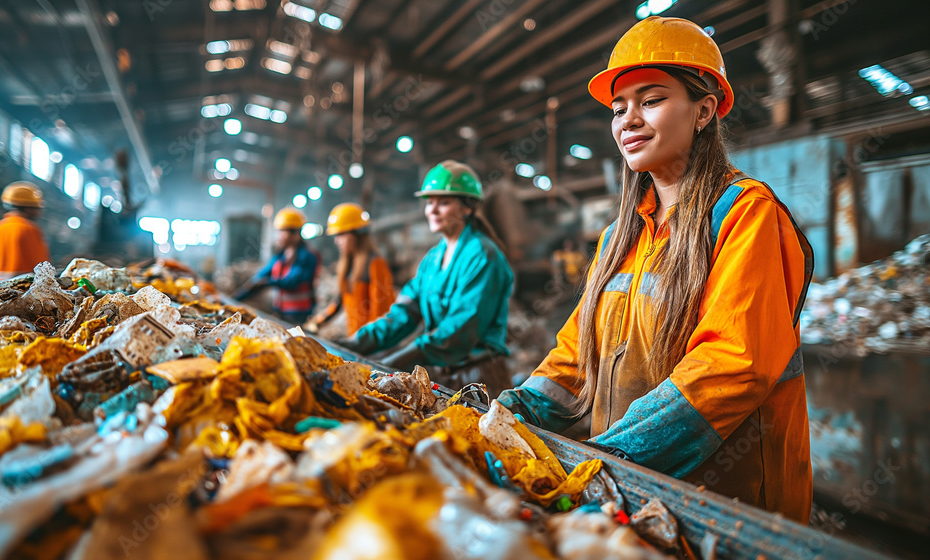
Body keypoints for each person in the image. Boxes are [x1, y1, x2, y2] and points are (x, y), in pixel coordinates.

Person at [497, 17, 814, 523]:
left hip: (726, 505)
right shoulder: (620, 236)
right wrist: (517, 410)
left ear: (704, 110)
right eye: (619, 108)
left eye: (651, 100)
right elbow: (577, 354)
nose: (628, 120)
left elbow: (734, 364)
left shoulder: (744, 214)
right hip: (631, 491)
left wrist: (609, 458)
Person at [337, 160, 515, 393]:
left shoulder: (484, 256)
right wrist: (356, 343)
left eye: (444, 202)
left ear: (468, 207)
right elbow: (405, 312)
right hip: (442, 372)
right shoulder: (433, 259)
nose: (431, 210)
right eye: (430, 202)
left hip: (480, 377)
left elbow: (461, 329)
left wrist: (399, 359)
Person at [309, 203, 394, 336]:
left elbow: (380, 314)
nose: (337, 241)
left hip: (371, 344)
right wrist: (317, 322)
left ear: (358, 233)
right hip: (356, 339)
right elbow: (339, 302)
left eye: (342, 234)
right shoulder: (348, 265)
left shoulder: (376, 264)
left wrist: (366, 341)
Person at [234, 207, 319, 325]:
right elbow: (261, 276)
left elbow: (292, 281)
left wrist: (266, 282)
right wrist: (237, 297)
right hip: (280, 312)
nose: (279, 236)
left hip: (299, 316)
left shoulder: (307, 257)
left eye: (282, 231)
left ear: (295, 233)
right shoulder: (280, 256)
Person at [0, 181, 51, 280]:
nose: (39, 212)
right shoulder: (30, 229)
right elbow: (43, 265)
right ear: (27, 208)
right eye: (37, 208)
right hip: (25, 285)